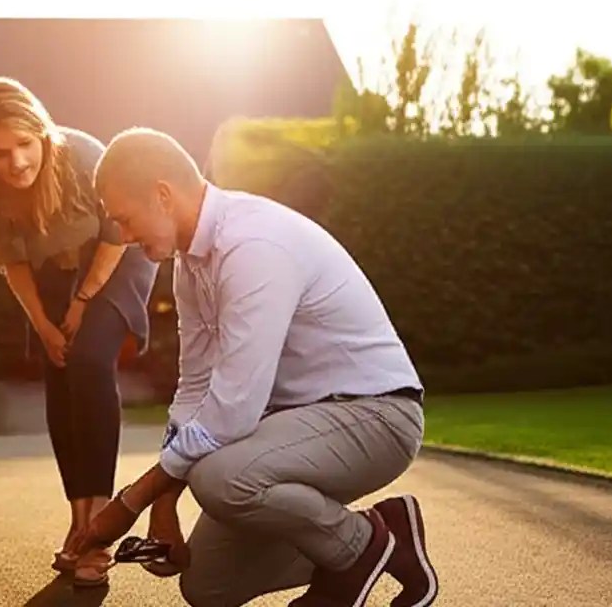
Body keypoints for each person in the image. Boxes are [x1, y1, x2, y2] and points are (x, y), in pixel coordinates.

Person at [77, 127, 439, 607]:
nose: (121, 237)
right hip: (295, 428)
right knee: (208, 585)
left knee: (220, 478)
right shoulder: (191, 264)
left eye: (123, 219)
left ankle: (358, 547)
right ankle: (389, 536)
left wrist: (132, 499)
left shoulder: (254, 245)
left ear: (162, 195)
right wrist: (165, 504)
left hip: (375, 416)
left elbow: (235, 409)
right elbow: (196, 387)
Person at [0, 78, 158, 587]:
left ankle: (99, 528)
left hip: (115, 262)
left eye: (26, 144)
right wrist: (44, 326)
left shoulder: (84, 158)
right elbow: (15, 266)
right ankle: (78, 518)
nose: (17, 162)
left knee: (88, 360)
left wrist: (85, 299)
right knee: (61, 368)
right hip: (56, 273)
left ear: (42, 133)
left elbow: (116, 235)